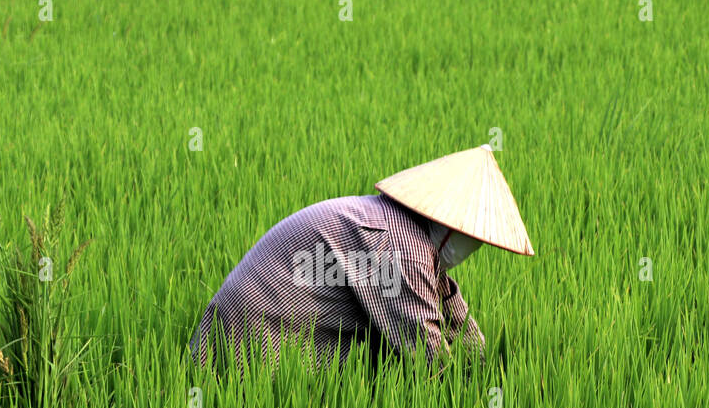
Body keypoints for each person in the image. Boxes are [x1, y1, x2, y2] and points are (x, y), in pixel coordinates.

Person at [189, 144, 534, 370]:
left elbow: (449, 306)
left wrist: (486, 363)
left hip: (260, 315)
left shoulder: (407, 232)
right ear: (448, 227)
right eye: (473, 239)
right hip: (256, 331)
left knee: (373, 362)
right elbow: (425, 352)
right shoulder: (402, 248)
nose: (473, 249)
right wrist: (462, 405)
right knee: (282, 407)